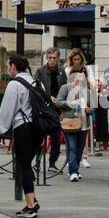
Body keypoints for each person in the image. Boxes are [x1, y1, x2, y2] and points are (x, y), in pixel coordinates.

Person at [0, 54, 41, 218]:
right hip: (38, 128)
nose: (8, 69)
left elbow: (7, 110)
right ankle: (32, 198)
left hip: (23, 127)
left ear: (13, 66)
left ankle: (30, 205)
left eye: (8, 66)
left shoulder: (15, 85)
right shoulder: (36, 82)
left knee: (24, 165)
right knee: (27, 163)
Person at [56, 71, 92, 182]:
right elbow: (58, 102)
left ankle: (75, 169)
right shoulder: (65, 88)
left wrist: (88, 109)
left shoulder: (87, 92)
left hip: (84, 124)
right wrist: (71, 103)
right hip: (69, 123)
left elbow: (92, 108)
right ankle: (73, 172)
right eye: (79, 76)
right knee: (72, 147)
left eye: (83, 77)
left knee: (80, 149)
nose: (81, 79)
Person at [36, 47, 66, 177]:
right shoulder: (40, 71)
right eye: (50, 58)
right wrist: (48, 97)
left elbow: (65, 87)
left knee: (55, 137)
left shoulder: (62, 72)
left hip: (57, 109)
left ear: (58, 58)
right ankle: (37, 162)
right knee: (39, 137)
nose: (52, 60)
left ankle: (52, 163)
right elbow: (36, 88)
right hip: (44, 108)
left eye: (54, 58)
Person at [63, 47, 92, 170]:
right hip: (71, 104)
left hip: (84, 100)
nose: (76, 61)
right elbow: (65, 87)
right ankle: (71, 162)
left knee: (82, 135)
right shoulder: (67, 70)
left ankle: (82, 158)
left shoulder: (87, 69)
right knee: (71, 141)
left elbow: (91, 84)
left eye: (78, 59)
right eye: (74, 59)